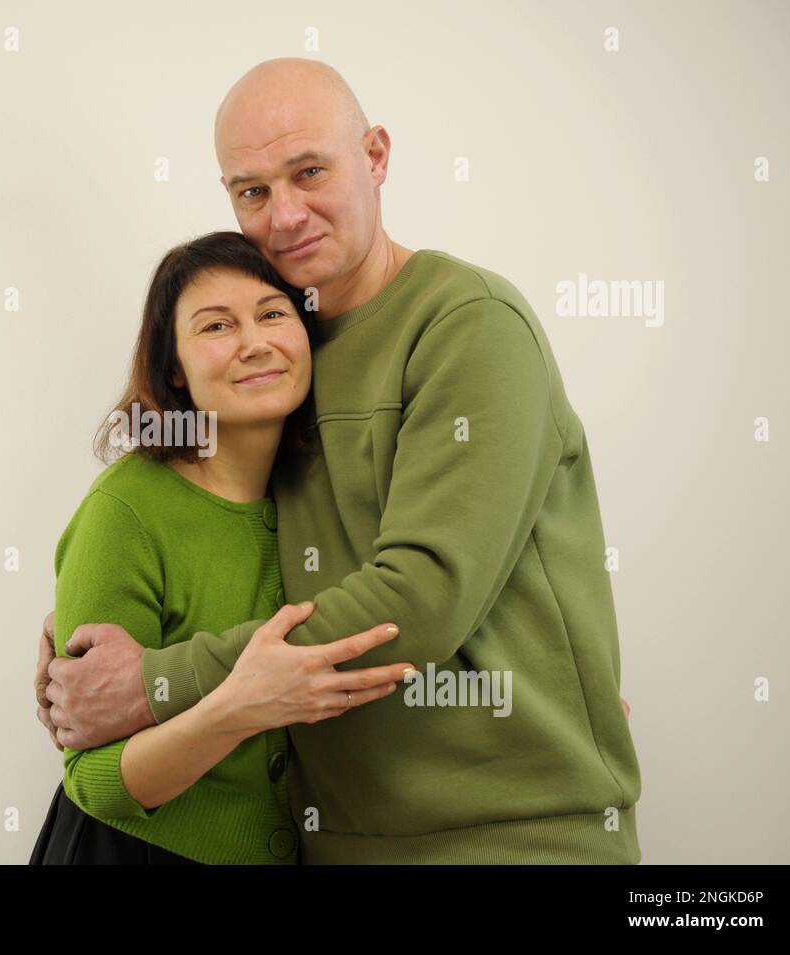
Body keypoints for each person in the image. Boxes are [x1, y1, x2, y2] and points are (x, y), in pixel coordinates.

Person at [37, 58, 642, 864]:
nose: (285, 214)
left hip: (507, 838)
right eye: (251, 190)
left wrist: (151, 682)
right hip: (334, 842)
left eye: (309, 171)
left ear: (377, 156)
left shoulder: (469, 325)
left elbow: (417, 602)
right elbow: (244, 562)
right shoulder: (284, 364)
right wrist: (75, 654)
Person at [30, 231, 414, 865]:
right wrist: (239, 707)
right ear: (174, 366)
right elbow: (94, 779)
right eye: (216, 326)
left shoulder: (330, 495)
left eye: (272, 313)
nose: (254, 342)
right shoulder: (125, 510)